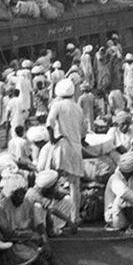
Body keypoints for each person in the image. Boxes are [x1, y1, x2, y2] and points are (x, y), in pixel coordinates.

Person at [0, 175, 87, 265]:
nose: (22, 196)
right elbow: (7, 233)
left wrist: (45, 241)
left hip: (28, 238)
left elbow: (38, 224)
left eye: (23, 193)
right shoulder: (2, 206)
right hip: (12, 243)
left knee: (49, 253)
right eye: (19, 194)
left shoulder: (27, 202)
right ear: (12, 194)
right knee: (39, 258)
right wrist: (30, 236)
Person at [46, 79, 86, 224]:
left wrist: (52, 139)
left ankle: (53, 215)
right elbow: (83, 131)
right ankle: (75, 217)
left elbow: (49, 124)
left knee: (53, 180)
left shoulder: (57, 105)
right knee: (75, 185)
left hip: (62, 147)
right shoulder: (78, 108)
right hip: (76, 148)